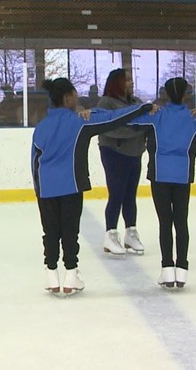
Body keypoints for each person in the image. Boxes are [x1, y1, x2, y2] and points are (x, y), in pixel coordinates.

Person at [31, 78, 155, 297]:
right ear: (68, 98)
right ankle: (71, 275)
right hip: (71, 185)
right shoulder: (81, 122)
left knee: (50, 232)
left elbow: (35, 161)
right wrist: (142, 107)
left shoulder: (40, 127)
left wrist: (39, 189)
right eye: (75, 95)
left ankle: (51, 275)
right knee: (70, 232)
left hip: (46, 187)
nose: (78, 98)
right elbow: (114, 118)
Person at [130, 77, 196, 289]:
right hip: (183, 176)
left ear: (165, 94)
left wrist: (145, 107)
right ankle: (182, 270)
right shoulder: (195, 118)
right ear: (186, 95)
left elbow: (126, 119)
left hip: (159, 175)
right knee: (181, 222)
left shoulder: (154, 116)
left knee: (165, 223)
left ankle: (167, 269)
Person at [96, 68, 147, 258]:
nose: (131, 83)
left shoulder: (136, 102)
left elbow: (146, 122)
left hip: (135, 153)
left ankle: (131, 233)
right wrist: (134, 131)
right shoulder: (106, 103)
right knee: (116, 194)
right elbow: (107, 128)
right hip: (114, 153)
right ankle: (111, 234)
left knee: (130, 196)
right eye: (127, 80)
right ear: (117, 83)